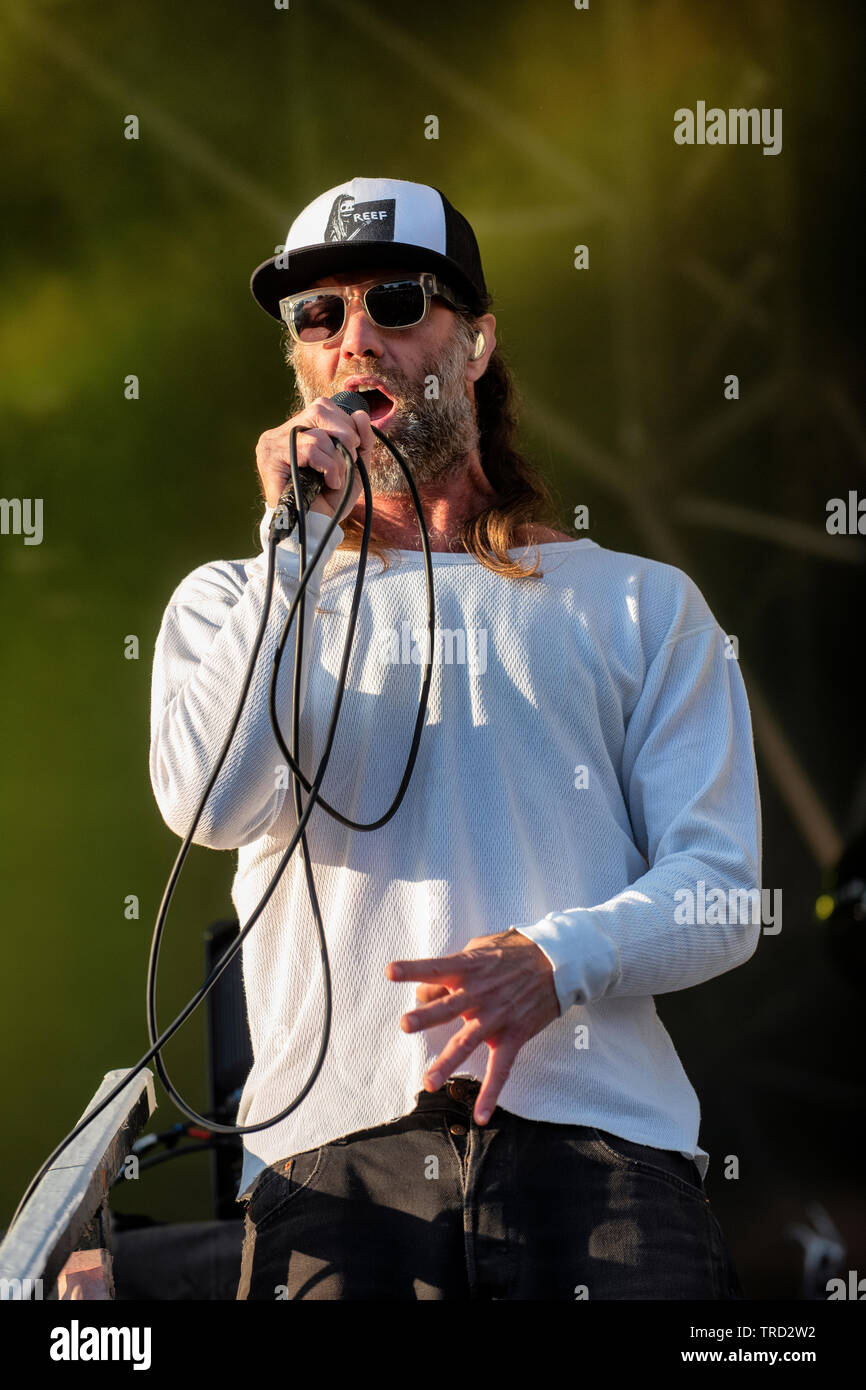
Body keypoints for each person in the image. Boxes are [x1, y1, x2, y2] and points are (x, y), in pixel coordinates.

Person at [149, 176, 761, 1300]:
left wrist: (551, 960)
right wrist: (292, 552)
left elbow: (720, 890)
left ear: (475, 343)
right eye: (316, 317)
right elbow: (208, 805)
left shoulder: (635, 603)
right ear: (296, 360)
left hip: (602, 1163)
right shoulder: (233, 601)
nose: (353, 342)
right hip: (334, 1171)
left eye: (392, 301)